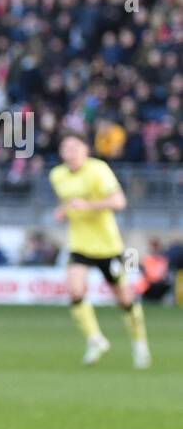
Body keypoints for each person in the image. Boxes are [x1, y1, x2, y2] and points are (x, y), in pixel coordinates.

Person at [50, 133, 150, 367]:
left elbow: (119, 202)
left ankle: (139, 343)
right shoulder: (57, 175)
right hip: (80, 243)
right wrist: (63, 210)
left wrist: (88, 205)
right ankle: (95, 340)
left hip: (108, 245)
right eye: (65, 147)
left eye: (74, 146)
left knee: (124, 299)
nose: (69, 151)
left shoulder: (99, 170)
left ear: (86, 149)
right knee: (74, 290)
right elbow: (67, 200)